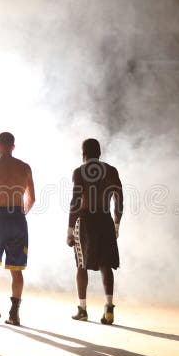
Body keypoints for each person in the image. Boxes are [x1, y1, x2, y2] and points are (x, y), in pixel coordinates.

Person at [0, 132, 35, 325]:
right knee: (16, 269)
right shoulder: (25, 168)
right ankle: (14, 314)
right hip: (18, 218)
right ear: (13, 146)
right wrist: (21, 214)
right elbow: (32, 199)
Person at [66, 138, 123, 324]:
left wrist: (69, 229)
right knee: (106, 264)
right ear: (99, 153)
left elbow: (75, 202)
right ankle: (109, 309)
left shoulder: (80, 171)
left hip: (86, 221)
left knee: (81, 264)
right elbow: (119, 199)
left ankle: (82, 309)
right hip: (105, 219)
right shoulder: (111, 170)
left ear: (83, 153)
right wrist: (116, 224)